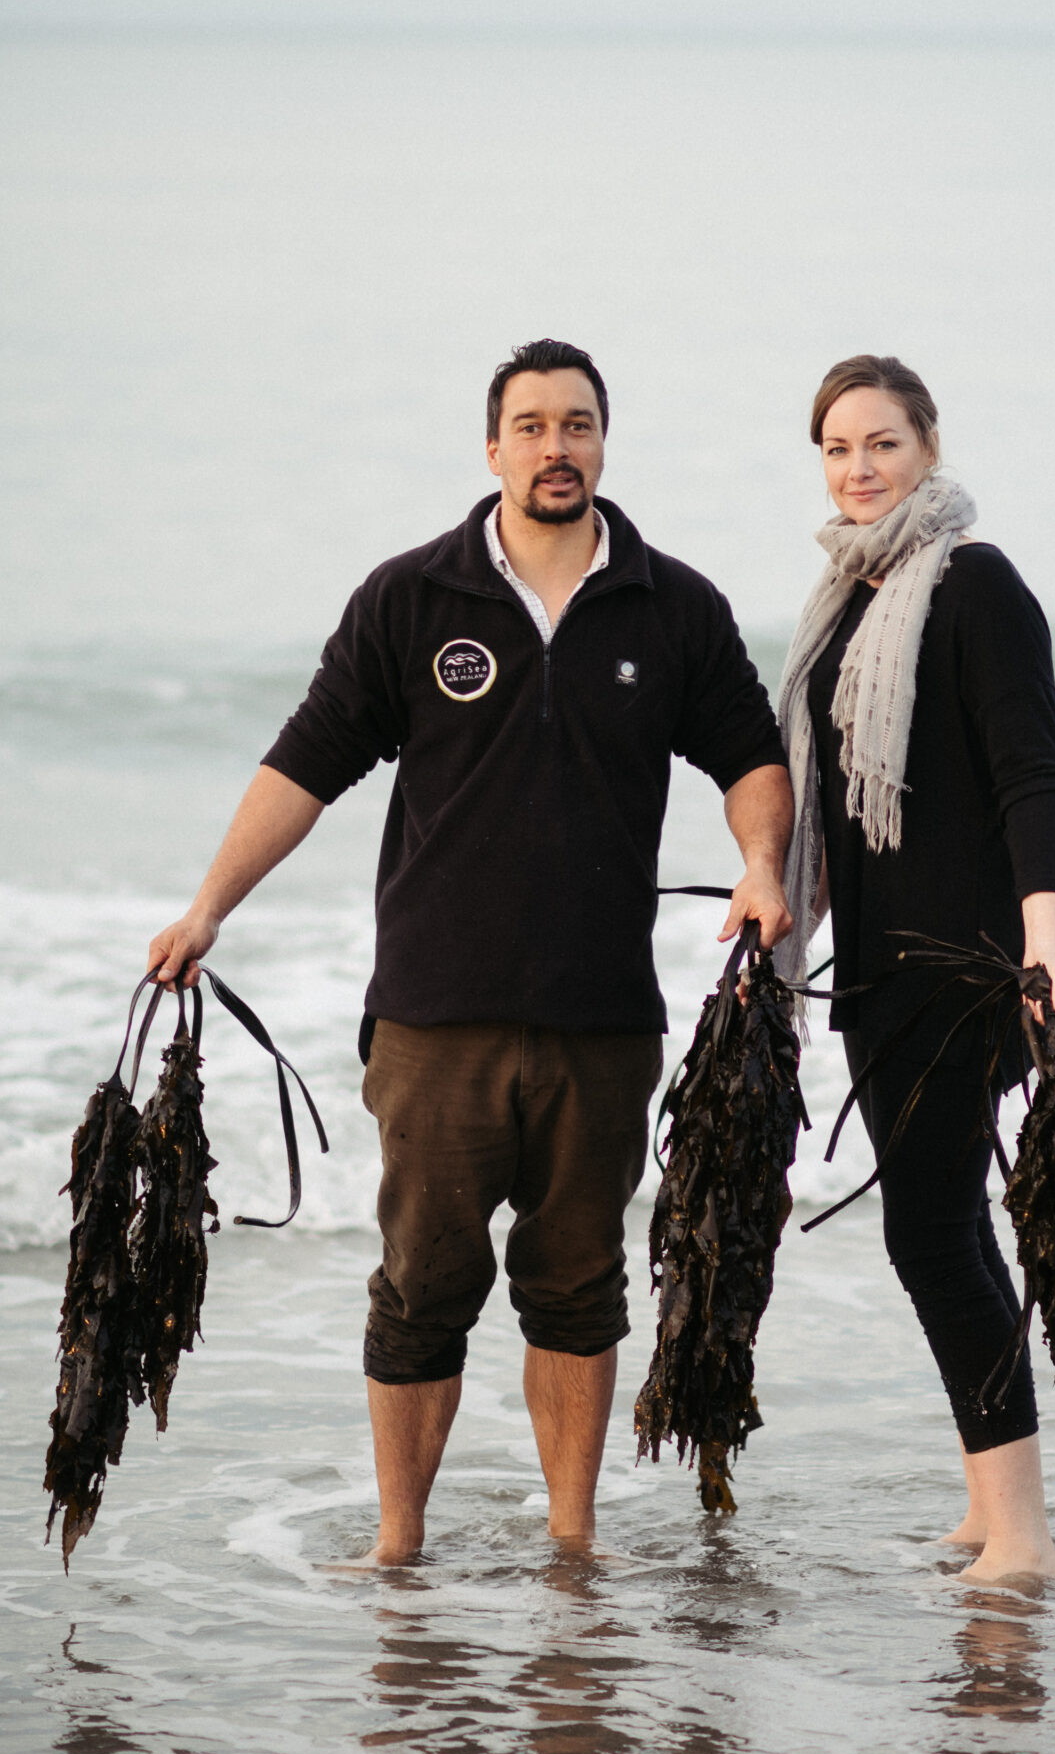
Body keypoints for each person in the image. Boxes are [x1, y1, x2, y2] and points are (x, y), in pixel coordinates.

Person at [149, 339, 793, 1563]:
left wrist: (762, 864)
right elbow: (308, 761)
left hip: (602, 1018)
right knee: (421, 1291)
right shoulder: (411, 598)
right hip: (435, 1017)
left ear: (604, 442)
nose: (559, 447)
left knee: (578, 1287)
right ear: (491, 447)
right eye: (534, 425)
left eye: (580, 424)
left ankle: (572, 1547)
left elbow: (750, 755)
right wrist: (208, 907)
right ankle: (399, 1545)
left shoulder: (674, 605)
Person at [775, 354, 1055, 1586]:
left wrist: (1044, 938)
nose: (857, 468)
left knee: (933, 1235)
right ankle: (983, 1505)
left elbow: (1029, 773)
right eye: (838, 448)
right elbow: (833, 815)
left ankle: (1023, 1538)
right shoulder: (845, 600)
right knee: (940, 1226)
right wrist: (776, 920)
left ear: (929, 448)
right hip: (876, 975)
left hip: (964, 968)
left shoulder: (974, 584)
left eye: (881, 444)